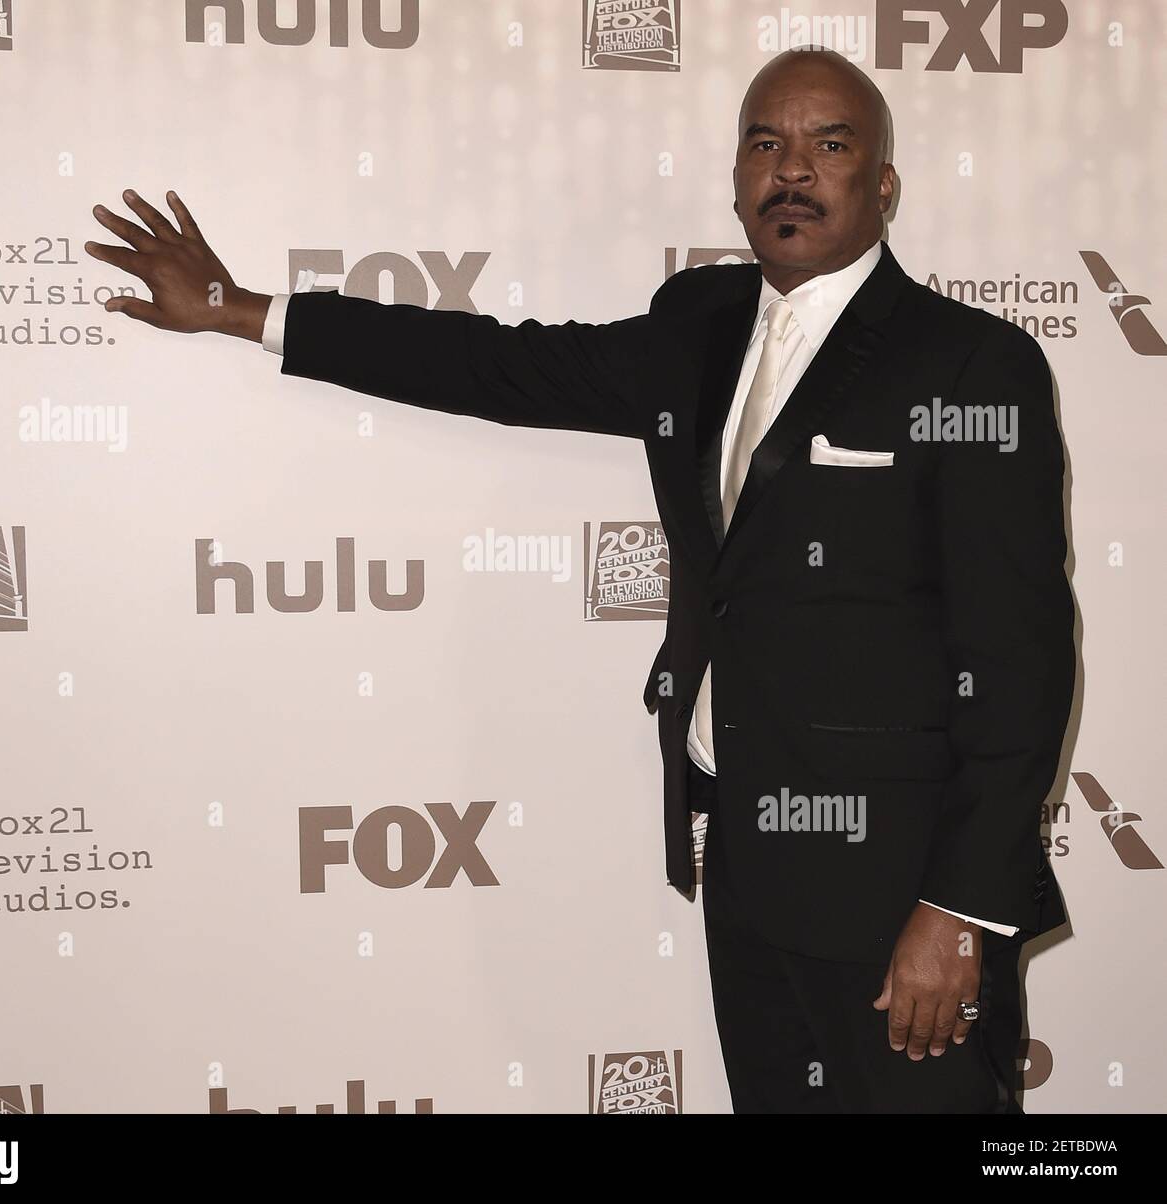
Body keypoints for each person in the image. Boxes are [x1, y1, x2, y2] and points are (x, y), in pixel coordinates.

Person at [85, 47, 1074, 1113]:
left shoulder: (974, 364)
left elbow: (1019, 664)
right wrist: (242, 309)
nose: (792, 170)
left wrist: (958, 909)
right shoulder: (697, 326)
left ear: (881, 184)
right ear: (735, 179)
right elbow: (499, 365)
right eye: (764, 143)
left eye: (829, 145)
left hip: (899, 897)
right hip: (746, 866)